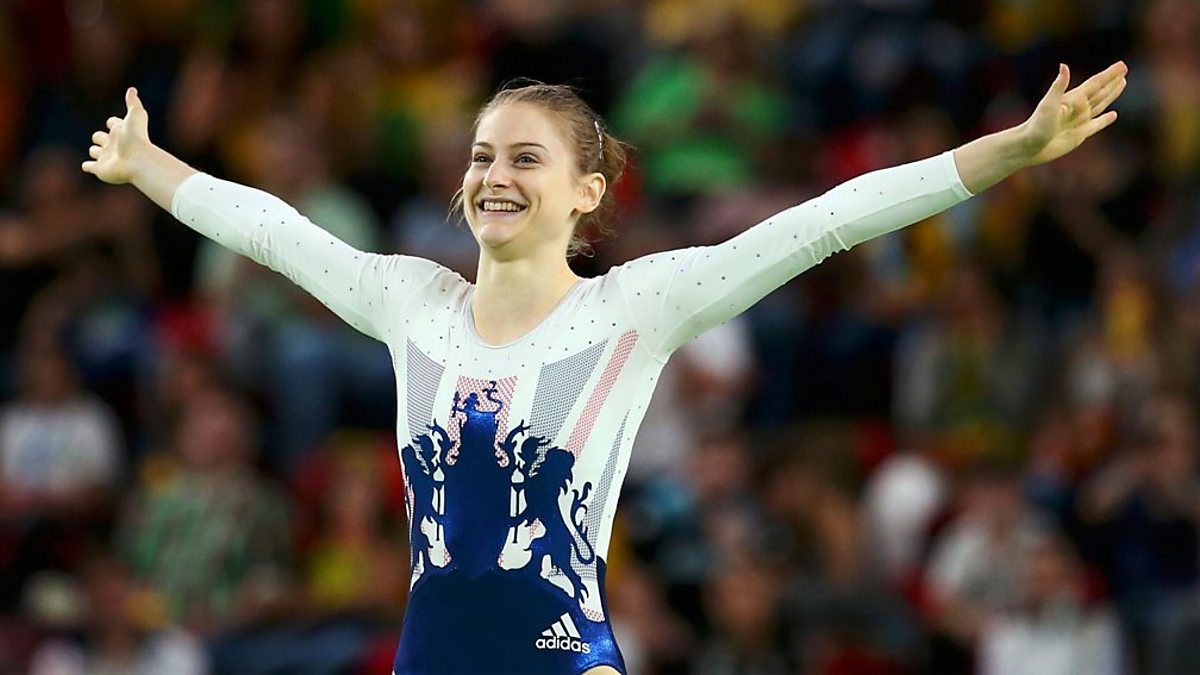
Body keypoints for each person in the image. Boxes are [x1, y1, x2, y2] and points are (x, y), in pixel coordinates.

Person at [81, 60, 1127, 674]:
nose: (493, 174)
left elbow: (825, 224)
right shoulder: (413, 304)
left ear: (589, 191)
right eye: (483, 155)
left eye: (525, 157)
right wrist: (146, 164)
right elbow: (272, 232)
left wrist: (1006, 153)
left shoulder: (635, 308)